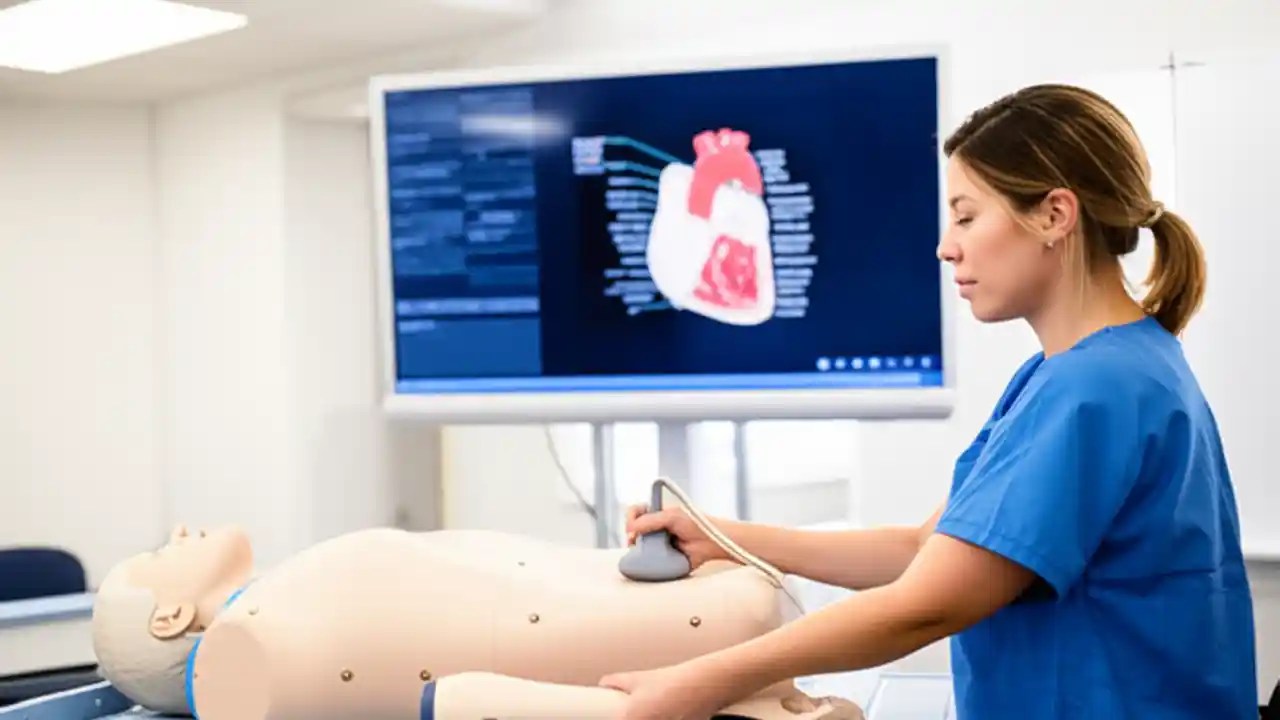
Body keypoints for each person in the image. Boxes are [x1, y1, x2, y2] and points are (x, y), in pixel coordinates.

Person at [606, 83, 1258, 720]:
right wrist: (722, 538)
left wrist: (700, 682)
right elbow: (926, 551)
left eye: (967, 217)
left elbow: (925, 605)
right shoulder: (1098, 368)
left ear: (1055, 216)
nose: (947, 246)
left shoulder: (1096, 388)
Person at [90, 523, 863, 719]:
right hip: (707, 633)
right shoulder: (245, 658)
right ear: (170, 619)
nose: (179, 533)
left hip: (709, 614)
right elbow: (467, 695)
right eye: (161, 553)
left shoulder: (278, 602)